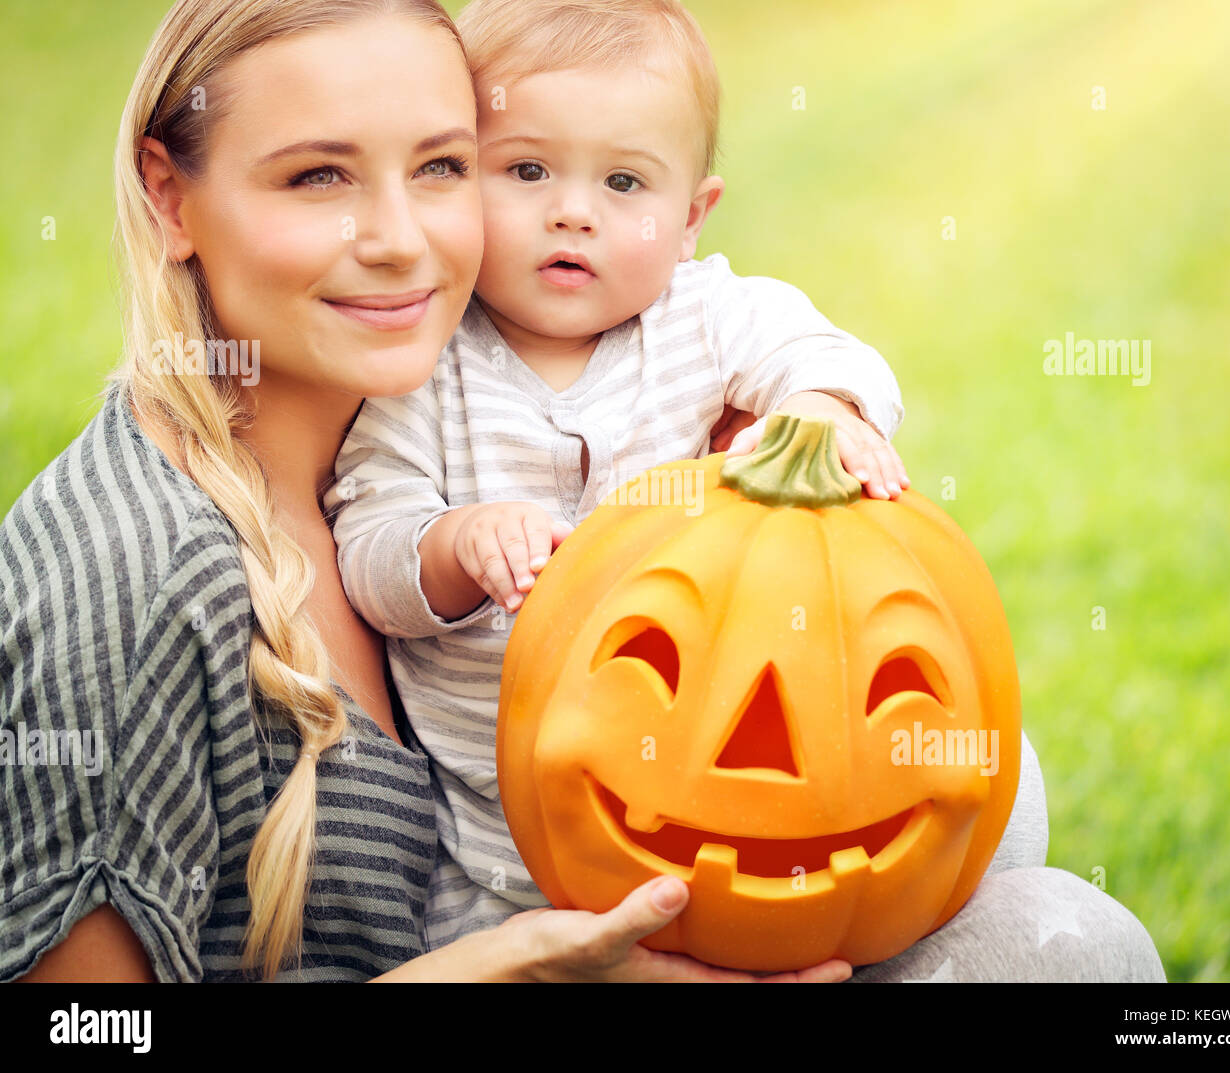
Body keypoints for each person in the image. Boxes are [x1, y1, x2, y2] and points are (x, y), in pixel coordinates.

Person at [0, 0, 849, 984]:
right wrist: (498, 973)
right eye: (319, 176)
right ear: (170, 198)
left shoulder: (421, 448)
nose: (401, 240)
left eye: (442, 166)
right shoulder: (130, 586)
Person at [326, 0, 1166, 983]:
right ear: (458, 181)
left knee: (986, 766)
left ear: (690, 217)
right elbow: (370, 541)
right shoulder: (428, 373)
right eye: (525, 170)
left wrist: (817, 407)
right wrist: (454, 541)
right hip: (525, 877)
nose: (573, 210)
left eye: (624, 181)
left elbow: (821, 350)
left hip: (772, 772)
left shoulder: (704, 315)